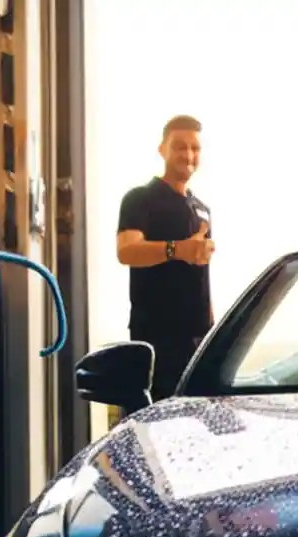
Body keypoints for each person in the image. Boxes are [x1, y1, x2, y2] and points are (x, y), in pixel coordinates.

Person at [115, 115, 216, 402]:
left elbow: (201, 273)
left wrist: (213, 330)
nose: (188, 155)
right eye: (180, 147)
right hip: (157, 338)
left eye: (195, 148)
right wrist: (177, 250)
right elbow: (126, 250)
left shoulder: (202, 209)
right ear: (163, 149)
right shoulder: (139, 199)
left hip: (198, 341)